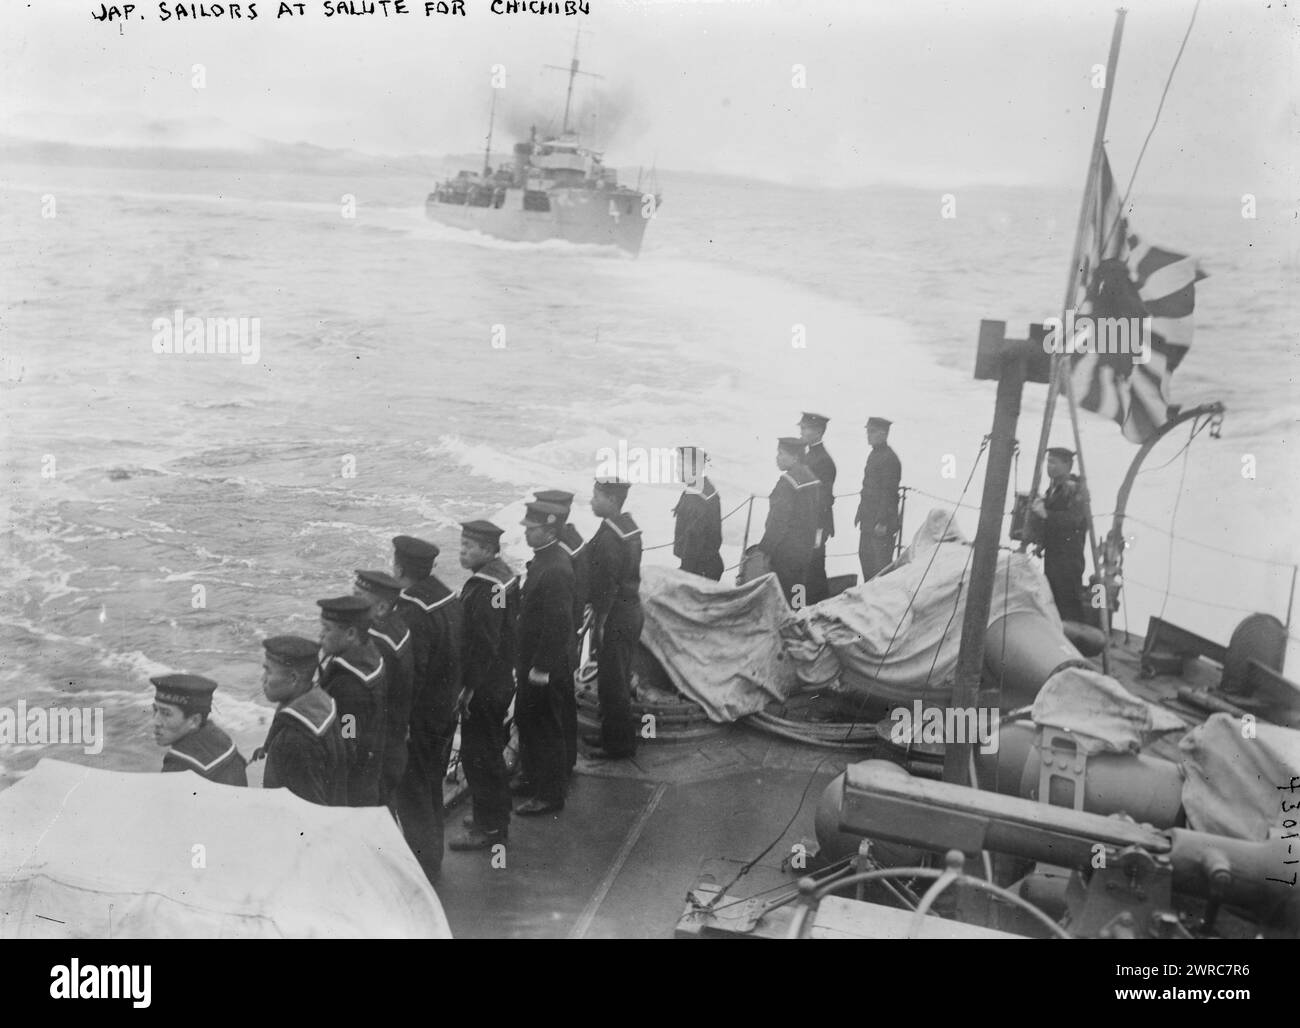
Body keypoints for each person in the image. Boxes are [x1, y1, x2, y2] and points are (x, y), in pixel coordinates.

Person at [450, 520, 519, 852]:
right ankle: (492, 816)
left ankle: (488, 829)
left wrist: (469, 688)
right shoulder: (503, 577)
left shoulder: (486, 587)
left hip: (486, 686)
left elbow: (485, 644)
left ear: (490, 551)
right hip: (501, 680)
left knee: (479, 757)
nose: (463, 550)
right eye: (462, 544)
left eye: (471, 546)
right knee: (488, 753)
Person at [392, 534, 461, 856]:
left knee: (414, 793)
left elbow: (411, 672)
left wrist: (400, 721)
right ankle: (433, 856)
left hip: (420, 718)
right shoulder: (447, 598)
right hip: (446, 709)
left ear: (399, 567)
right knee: (431, 785)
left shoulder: (412, 610)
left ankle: (425, 865)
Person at [514, 501, 576, 816]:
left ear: (550, 530)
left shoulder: (555, 568)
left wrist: (541, 667)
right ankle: (534, 779)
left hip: (544, 666)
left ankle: (550, 795)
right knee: (529, 720)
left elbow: (558, 623)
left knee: (546, 727)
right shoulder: (544, 560)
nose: (526, 531)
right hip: (532, 660)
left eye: (532, 528)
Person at [583, 478, 643, 760]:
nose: (591, 501)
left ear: (611, 500)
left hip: (615, 616)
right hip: (630, 610)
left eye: (596, 497)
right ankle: (611, 737)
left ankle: (619, 746)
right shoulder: (627, 527)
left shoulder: (609, 537)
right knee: (614, 680)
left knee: (613, 684)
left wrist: (601, 623)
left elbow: (607, 583)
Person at [256, 634, 349, 806]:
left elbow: (308, 811)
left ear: (293, 678)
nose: (263, 679)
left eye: (268, 671)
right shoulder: (322, 703)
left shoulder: (297, 740)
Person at [316, 595, 388, 807]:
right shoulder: (369, 654)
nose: (321, 635)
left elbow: (349, 739)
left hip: (352, 788)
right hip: (370, 775)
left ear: (350, 633)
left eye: (327, 629)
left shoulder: (349, 688)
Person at [534, 488, 587, 775]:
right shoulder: (574, 539)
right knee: (564, 705)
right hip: (571, 633)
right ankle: (566, 762)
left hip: (558, 637)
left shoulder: (559, 553)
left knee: (551, 711)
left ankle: (552, 775)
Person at [353, 569, 414, 807]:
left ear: (380, 608)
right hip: (395, 739)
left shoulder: (377, 643)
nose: (351, 602)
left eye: (358, 597)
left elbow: (369, 702)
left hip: (379, 746)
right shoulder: (397, 628)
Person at [756, 438, 821, 607]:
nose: (777, 458)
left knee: (782, 593)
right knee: (798, 588)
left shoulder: (787, 483)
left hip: (786, 550)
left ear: (795, 457)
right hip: (804, 549)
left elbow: (778, 521)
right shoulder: (811, 478)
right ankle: (798, 616)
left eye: (781, 454)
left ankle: (787, 624)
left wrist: (766, 549)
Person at [151, 673, 247, 786]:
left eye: (166, 714)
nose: (155, 722)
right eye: (155, 710)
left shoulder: (180, 766)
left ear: (194, 721)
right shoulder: (222, 740)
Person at [1030, 446, 1091, 624]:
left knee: (1068, 601)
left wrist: (1046, 514)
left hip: (1069, 558)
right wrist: (1042, 542)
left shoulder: (1076, 490)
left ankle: (1077, 640)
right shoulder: (1054, 489)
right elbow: (1052, 525)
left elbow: (1074, 521)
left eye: (1054, 463)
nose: (1049, 466)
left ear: (1067, 466)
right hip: (1054, 555)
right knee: (1053, 596)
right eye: (1048, 462)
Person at [856, 416, 902, 582]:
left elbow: (888, 493)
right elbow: (867, 488)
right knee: (865, 557)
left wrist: (882, 521)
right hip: (868, 519)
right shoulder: (874, 454)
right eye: (868, 431)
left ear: (883, 434)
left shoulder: (890, 459)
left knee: (880, 565)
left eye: (872, 431)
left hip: (880, 523)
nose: (868, 435)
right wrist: (859, 514)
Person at [798, 413, 837, 602]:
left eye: (805, 428)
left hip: (816, 524)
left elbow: (824, 499)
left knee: (814, 566)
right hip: (806, 522)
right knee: (808, 566)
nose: (801, 432)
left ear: (819, 432)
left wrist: (817, 529)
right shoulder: (809, 456)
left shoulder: (823, 461)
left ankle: (819, 603)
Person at [671, 446, 724, 580]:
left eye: (681, 465)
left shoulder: (697, 498)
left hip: (699, 569)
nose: (677, 470)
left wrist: (684, 572)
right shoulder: (700, 487)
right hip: (706, 564)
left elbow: (694, 541)